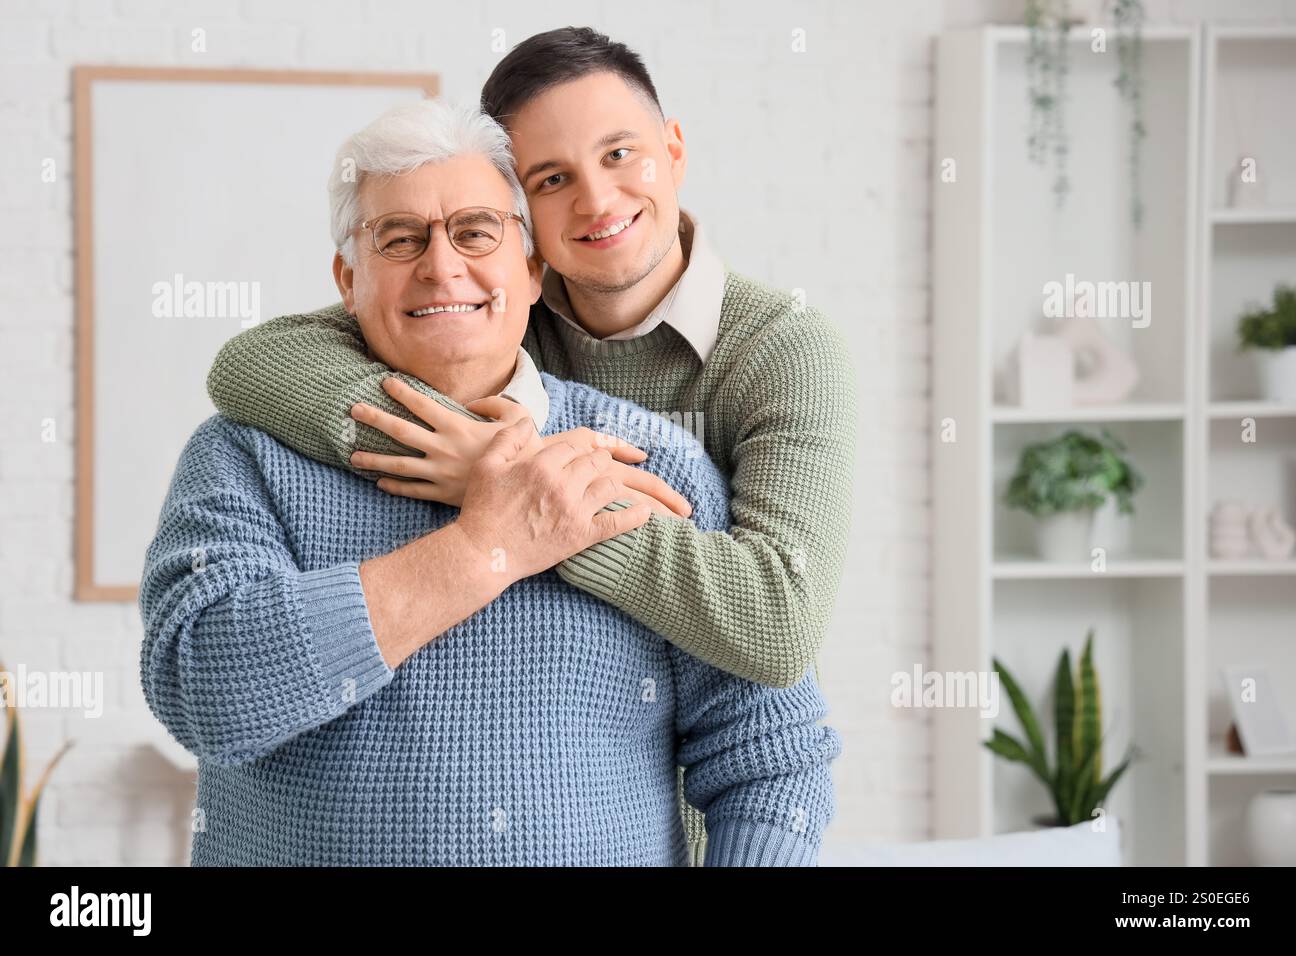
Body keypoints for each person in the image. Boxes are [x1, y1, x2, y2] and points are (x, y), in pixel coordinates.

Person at [206, 26, 856, 864]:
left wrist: (512, 489)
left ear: (674, 150)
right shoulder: (469, 306)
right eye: (553, 178)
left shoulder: (776, 356)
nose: (595, 200)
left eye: (621, 153)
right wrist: (485, 500)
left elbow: (778, 644)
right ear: (535, 233)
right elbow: (254, 358)